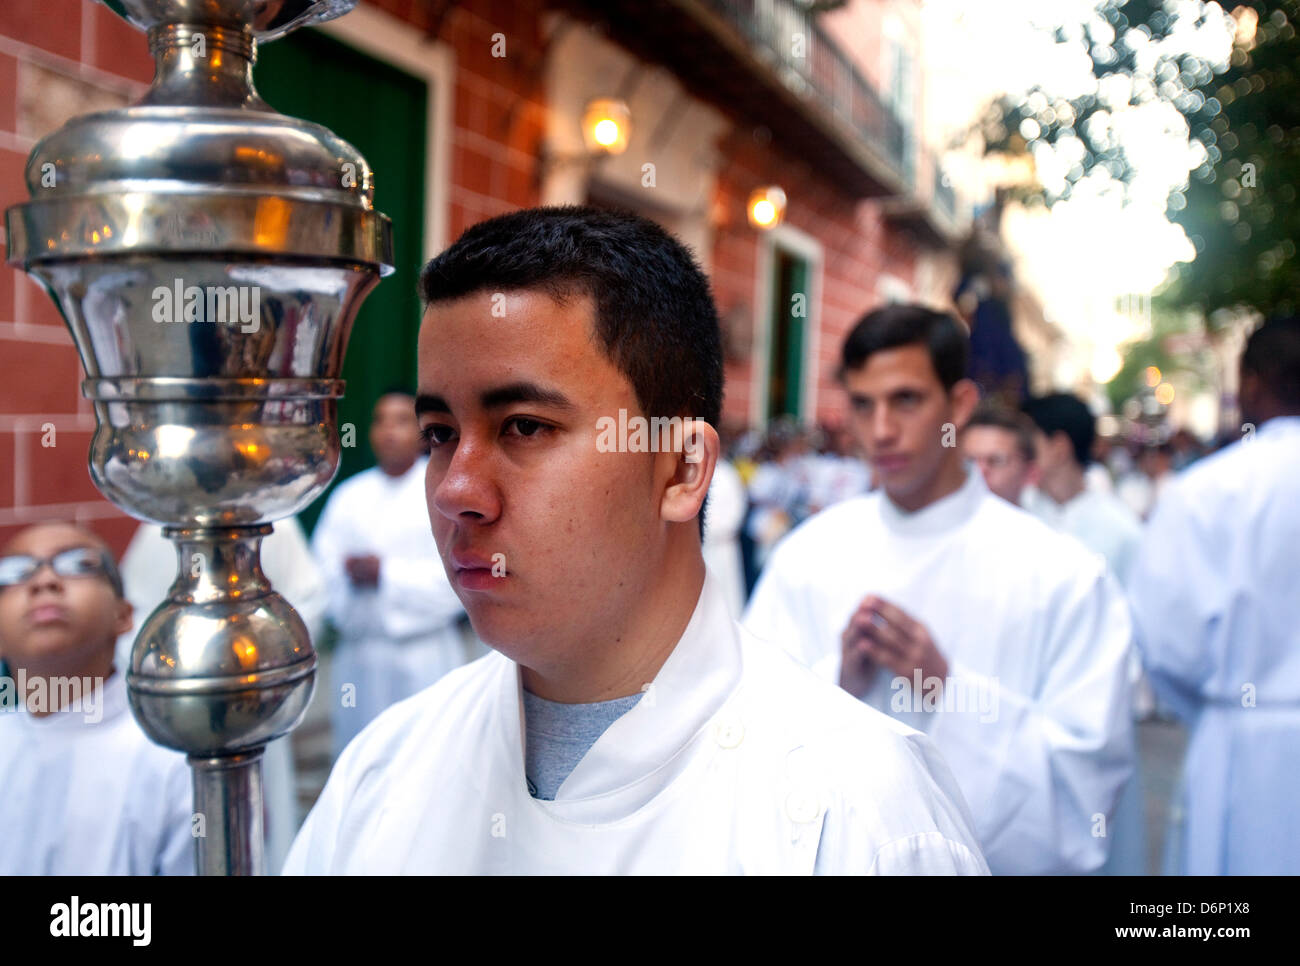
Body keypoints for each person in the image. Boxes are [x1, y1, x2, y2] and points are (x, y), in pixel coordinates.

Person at [284, 206, 988, 875]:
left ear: (681, 469)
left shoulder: (860, 819)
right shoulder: (386, 771)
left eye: (525, 427)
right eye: (442, 434)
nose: (454, 491)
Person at [742, 304, 1135, 875]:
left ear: (959, 405)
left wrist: (948, 691)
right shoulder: (807, 556)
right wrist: (838, 684)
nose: (881, 430)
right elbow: (746, 732)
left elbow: (1085, 786)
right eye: (861, 404)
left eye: (906, 399)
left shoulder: (1060, 575)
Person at [1127, 316, 1300, 875]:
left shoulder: (1208, 489)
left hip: (1242, 749)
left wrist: (1220, 706)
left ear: (1250, 382)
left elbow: (1165, 641)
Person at [117, 516, 326, 873]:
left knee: (263, 820)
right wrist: (177, 667)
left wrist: (263, 649)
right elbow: (134, 619)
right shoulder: (158, 530)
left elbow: (309, 600)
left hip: (254, 705)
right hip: (181, 712)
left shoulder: (274, 523)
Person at [0, 521, 193, 875]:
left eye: (78, 564)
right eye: (15, 572)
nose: (44, 582)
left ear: (123, 616)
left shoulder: (175, 758)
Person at [1020, 392, 1147, 874]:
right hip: (1025, 709)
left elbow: (1142, 633)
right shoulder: (1018, 517)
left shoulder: (1120, 530)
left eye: (1029, 437)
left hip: (1097, 712)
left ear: (1056, 445)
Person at [310, 389, 470, 759]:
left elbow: (455, 581)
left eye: (400, 421)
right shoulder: (349, 496)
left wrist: (386, 574)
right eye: (380, 421)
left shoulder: (441, 494)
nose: (388, 431)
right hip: (361, 655)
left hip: (422, 654)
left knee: (424, 758)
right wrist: (348, 576)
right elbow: (321, 575)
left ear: (421, 432)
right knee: (362, 759)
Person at [961, 402, 1038, 506]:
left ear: (1030, 474)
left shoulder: (1036, 522)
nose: (979, 470)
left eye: (996, 460)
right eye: (969, 461)